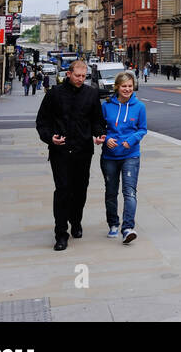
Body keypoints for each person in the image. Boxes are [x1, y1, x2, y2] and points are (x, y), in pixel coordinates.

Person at [34, 59, 106, 251]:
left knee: (80, 189)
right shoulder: (54, 94)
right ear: (68, 74)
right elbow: (42, 122)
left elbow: (97, 120)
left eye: (84, 76)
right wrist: (50, 138)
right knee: (63, 190)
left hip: (83, 150)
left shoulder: (91, 94)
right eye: (77, 76)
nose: (81, 79)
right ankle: (60, 233)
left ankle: (76, 221)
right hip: (61, 151)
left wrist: (99, 134)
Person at [101, 71, 146, 244]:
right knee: (111, 192)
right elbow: (99, 127)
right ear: (117, 87)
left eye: (130, 86)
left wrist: (131, 140)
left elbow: (142, 129)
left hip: (131, 156)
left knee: (130, 193)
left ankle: (127, 228)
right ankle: (113, 224)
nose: (127, 89)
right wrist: (105, 138)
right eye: (124, 86)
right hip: (109, 156)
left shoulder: (139, 106)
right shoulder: (106, 106)